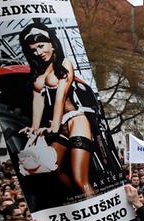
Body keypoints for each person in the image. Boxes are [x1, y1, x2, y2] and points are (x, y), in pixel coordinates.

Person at [18, 21, 95, 196]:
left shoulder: (65, 63)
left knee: (80, 179)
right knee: (52, 171)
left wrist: (54, 126)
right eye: (33, 50)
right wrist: (34, 129)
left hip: (75, 120)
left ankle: (92, 202)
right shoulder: (37, 74)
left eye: (41, 46)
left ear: (52, 43)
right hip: (57, 126)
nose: (38, 52)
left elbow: (60, 97)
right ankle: (79, 200)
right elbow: (37, 104)